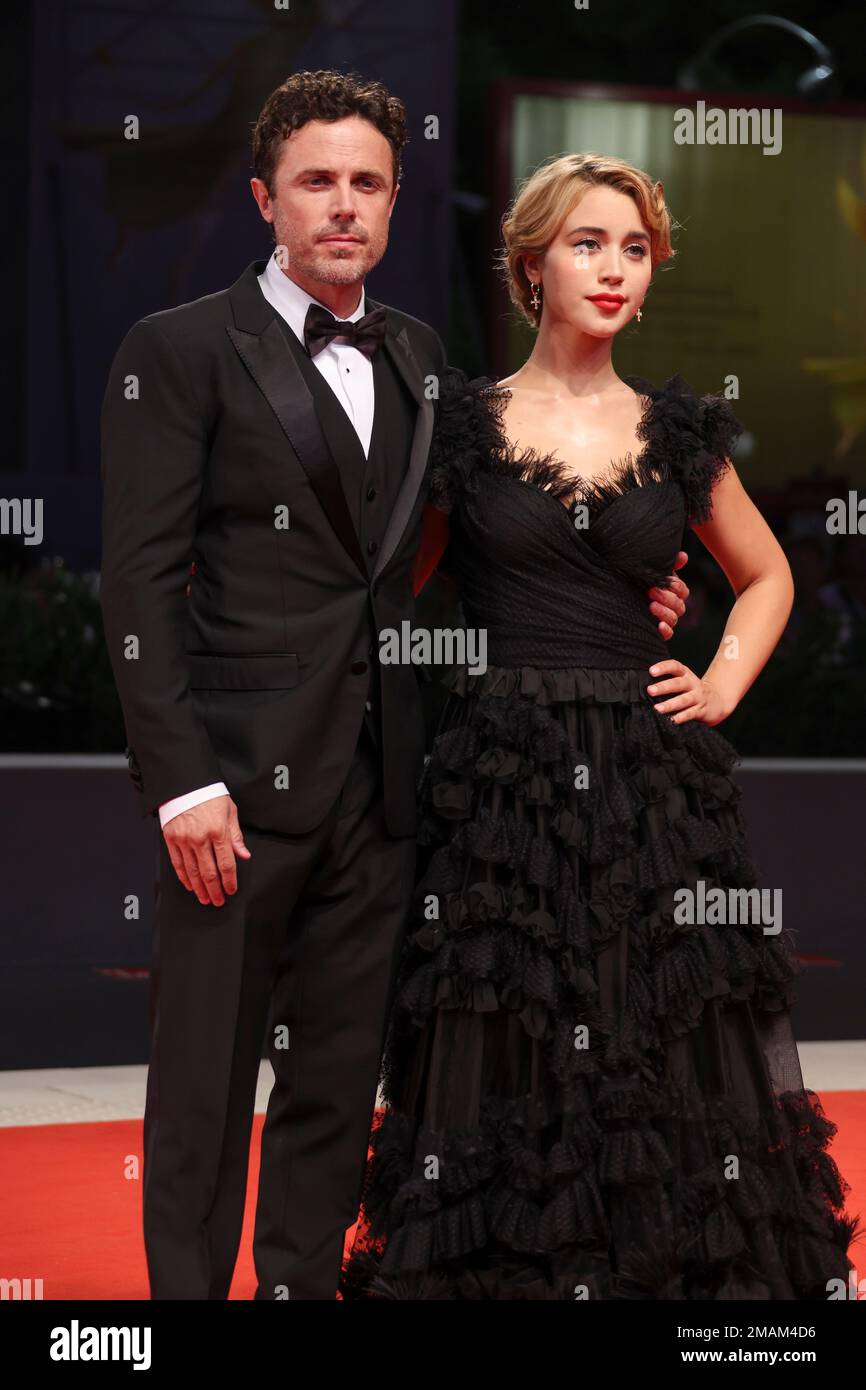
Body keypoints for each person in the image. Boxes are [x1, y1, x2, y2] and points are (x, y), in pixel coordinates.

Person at [98, 76, 685, 1301]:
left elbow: (449, 557)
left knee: (333, 1084)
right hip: (233, 790)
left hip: (392, 786)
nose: (343, 205)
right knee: (202, 1086)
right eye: (316, 181)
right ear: (266, 198)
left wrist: (628, 595)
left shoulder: (420, 356)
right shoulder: (179, 350)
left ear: (395, 198)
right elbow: (140, 591)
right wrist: (182, 781)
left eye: (367, 182)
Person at [340, 152, 858, 1300]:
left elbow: (765, 577)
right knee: (506, 1025)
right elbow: (395, 596)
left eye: (632, 248)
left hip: (647, 777)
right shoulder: (463, 424)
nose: (614, 268)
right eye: (586, 243)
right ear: (531, 264)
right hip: (501, 777)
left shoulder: (676, 433)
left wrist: (716, 679)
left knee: (651, 1023)